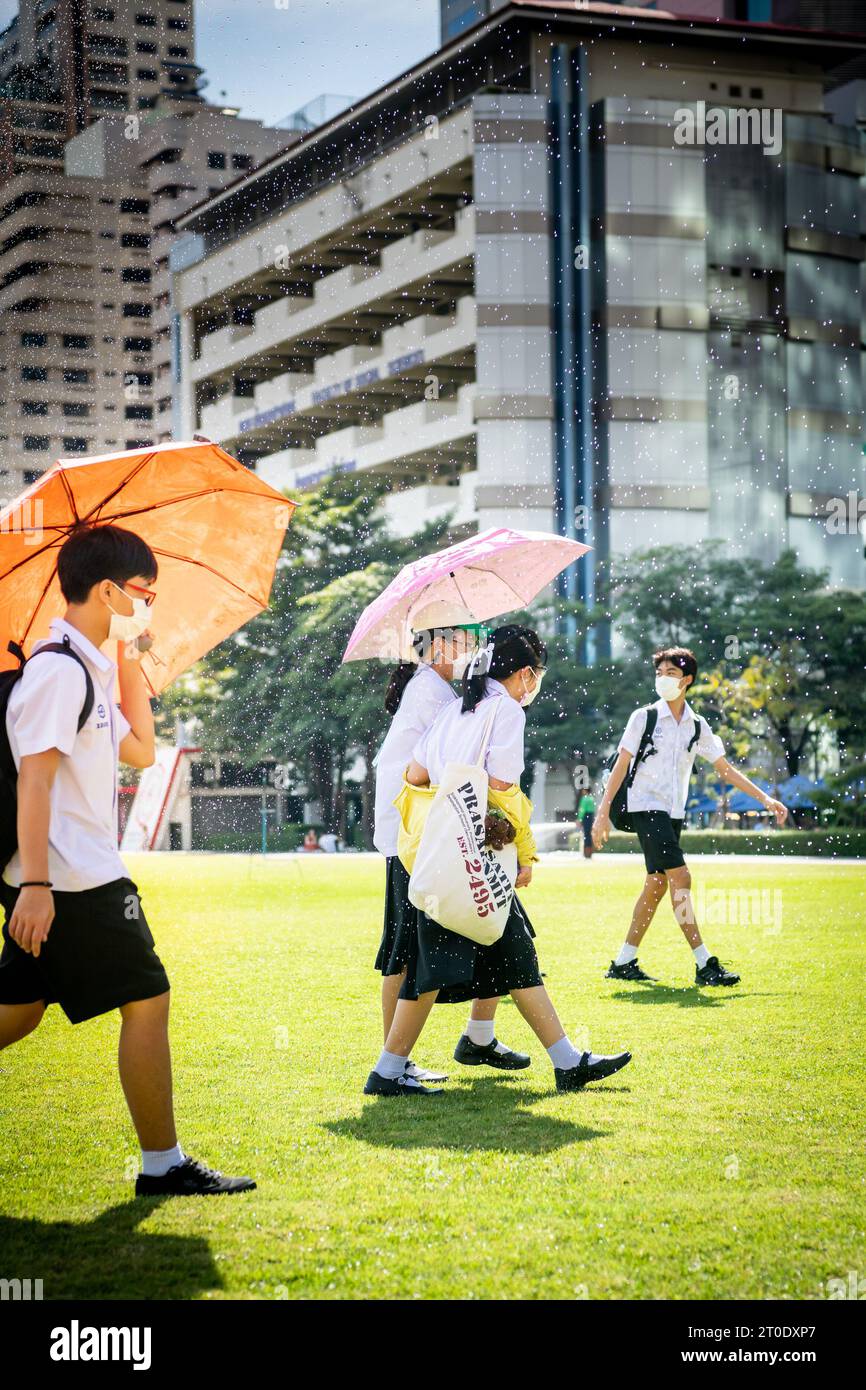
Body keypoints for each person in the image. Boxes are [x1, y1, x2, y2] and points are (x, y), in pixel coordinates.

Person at [0, 524, 255, 1196]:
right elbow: (35, 781)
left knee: (19, 1010)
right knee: (148, 997)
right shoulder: (56, 671)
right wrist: (33, 884)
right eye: (145, 594)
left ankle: (162, 1162)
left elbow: (142, 749)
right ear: (108, 589)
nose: (151, 606)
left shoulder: (87, 667)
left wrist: (133, 658)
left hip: (65, 876)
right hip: (71, 879)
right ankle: (163, 1164)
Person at [364, 624, 632, 1098]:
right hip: (473, 860)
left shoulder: (456, 707)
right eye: (538, 675)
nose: (536, 685)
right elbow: (505, 788)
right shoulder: (505, 710)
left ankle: (562, 1060)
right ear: (526, 674)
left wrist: (453, 802)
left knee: (511, 953)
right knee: (438, 966)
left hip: (440, 853)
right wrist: (524, 852)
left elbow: (414, 774)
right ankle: (389, 1071)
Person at [373, 613, 529, 1090]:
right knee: (406, 952)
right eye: (466, 640)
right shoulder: (436, 693)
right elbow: (450, 761)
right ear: (438, 646)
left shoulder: (444, 689)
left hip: (427, 831)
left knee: (491, 926)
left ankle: (471, 1039)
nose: (474, 649)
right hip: (419, 836)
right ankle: (394, 1062)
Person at [594, 645, 788, 986]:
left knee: (656, 885)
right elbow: (621, 765)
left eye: (670, 674)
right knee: (681, 878)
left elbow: (725, 770)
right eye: (659, 673)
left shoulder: (697, 726)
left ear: (687, 680)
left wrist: (766, 798)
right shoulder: (644, 717)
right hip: (645, 808)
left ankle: (624, 961)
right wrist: (602, 811)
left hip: (673, 814)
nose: (662, 679)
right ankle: (704, 964)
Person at [577, 789, 596, 859]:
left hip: (586, 816)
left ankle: (586, 852)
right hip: (591, 817)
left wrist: (579, 819)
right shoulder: (592, 798)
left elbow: (582, 809)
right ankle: (590, 852)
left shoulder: (584, 799)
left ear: (585, 790)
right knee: (589, 834)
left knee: (586, 834)